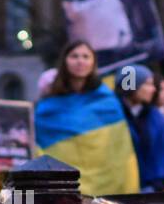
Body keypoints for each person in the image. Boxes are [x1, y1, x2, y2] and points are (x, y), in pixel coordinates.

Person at [34, 40, 140, 195]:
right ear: (64, 62)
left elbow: (120, 148)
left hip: (108, 183)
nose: (80, 61)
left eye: (86, 56)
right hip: (64, 187)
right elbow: (40, 148)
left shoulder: (108, 102)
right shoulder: (47, 107)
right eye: (74, 56)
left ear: (93, 63)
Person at [115, 64, 164, 192]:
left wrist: (155, 186)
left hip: (146, 191)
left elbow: (162, 156)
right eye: (147, 84)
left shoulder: (157, 118)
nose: (153, 89)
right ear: (131, 86)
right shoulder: (112, 115)